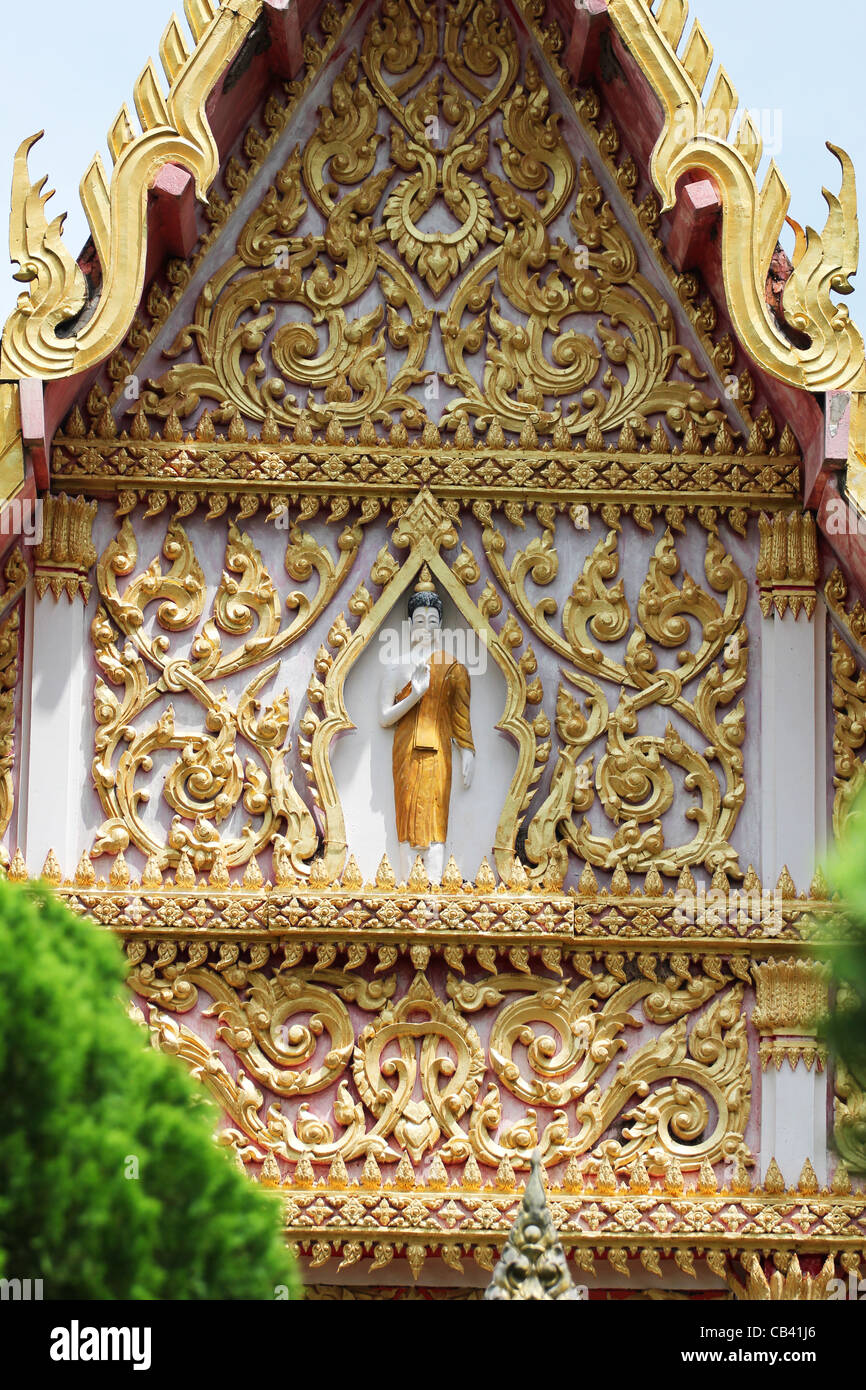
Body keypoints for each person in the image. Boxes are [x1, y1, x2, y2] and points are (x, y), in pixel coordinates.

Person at [378, 566, 474, 883]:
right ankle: (408, 887)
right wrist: (414, 696)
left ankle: (434, 891)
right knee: (407, 815)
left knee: (435, 818)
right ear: (410, 625)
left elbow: (461, 718)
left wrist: (468, 752)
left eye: (432, 621)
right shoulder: (395, 666)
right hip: (405, 751)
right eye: (420, 620)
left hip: (439, 753)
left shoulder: (453, 667)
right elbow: (384, 717)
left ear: (441, 626)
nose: (426, 627)